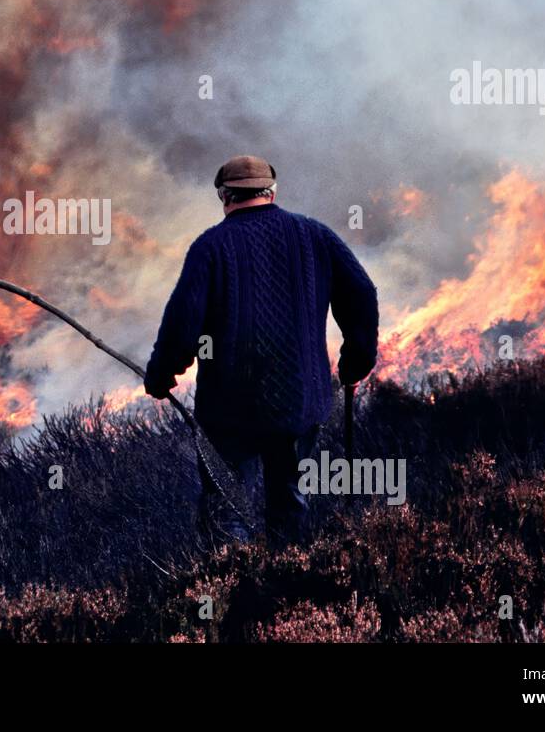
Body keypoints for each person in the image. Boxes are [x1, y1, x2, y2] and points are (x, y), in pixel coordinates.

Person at [144, 155, 379, 542]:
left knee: (227, 506)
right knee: (289, 500)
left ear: (224, 196)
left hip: (230, 408)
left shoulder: (211, 247)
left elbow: (183, 321)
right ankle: (290, 587)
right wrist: (356, 362)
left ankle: (231, 584)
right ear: (273, 192)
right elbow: (362, 293)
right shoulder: (314, 235)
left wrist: (162, 372)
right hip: (301, 401)